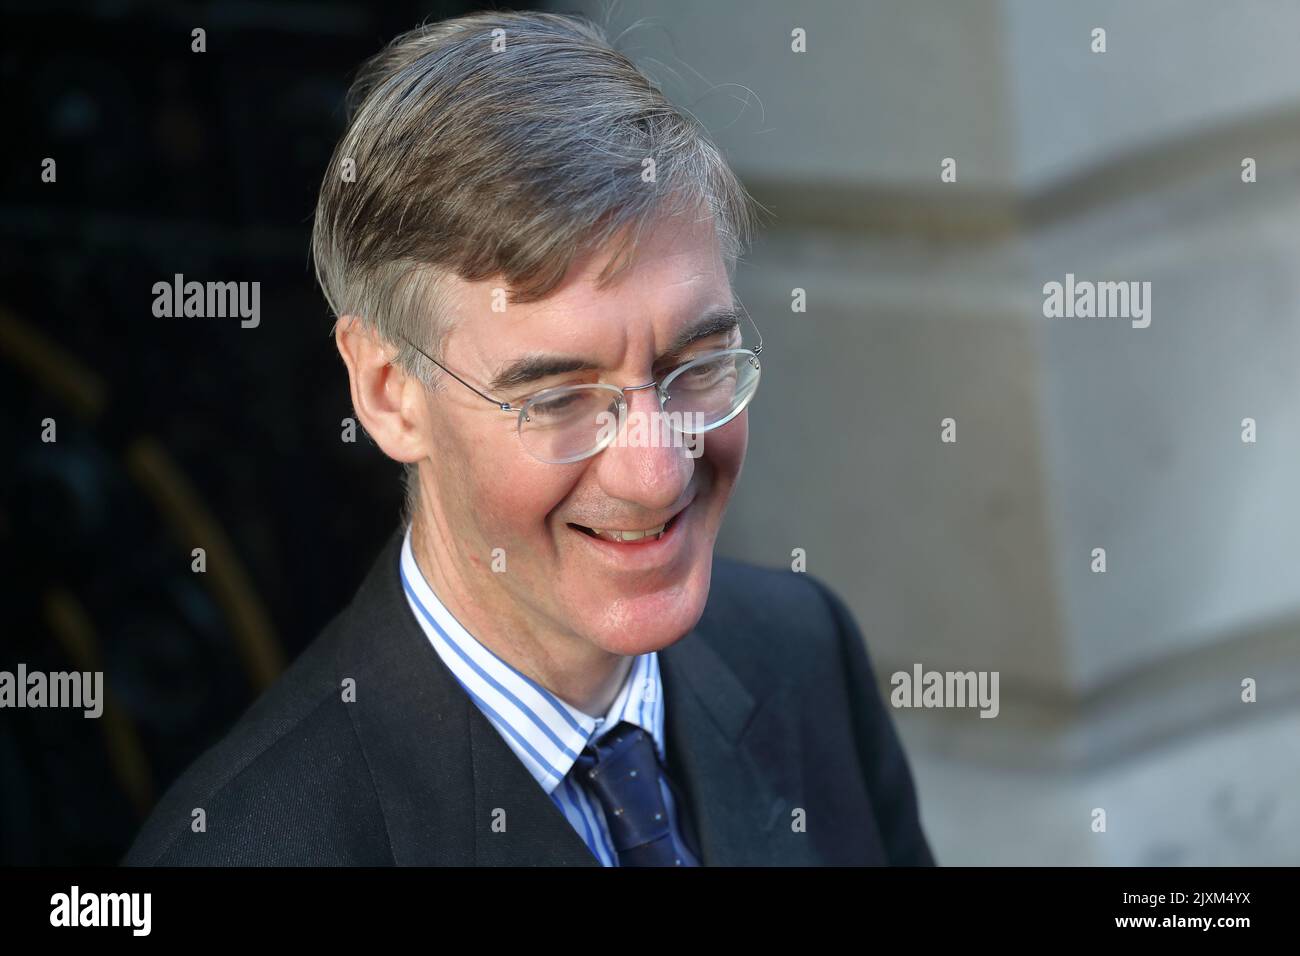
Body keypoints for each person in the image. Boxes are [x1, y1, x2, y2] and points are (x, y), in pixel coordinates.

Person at [123, 10, 934, 867]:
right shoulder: (248, 848)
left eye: (695, 365)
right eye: (557, 399)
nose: (656, 473)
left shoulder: (802, 652)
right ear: (390, 394)